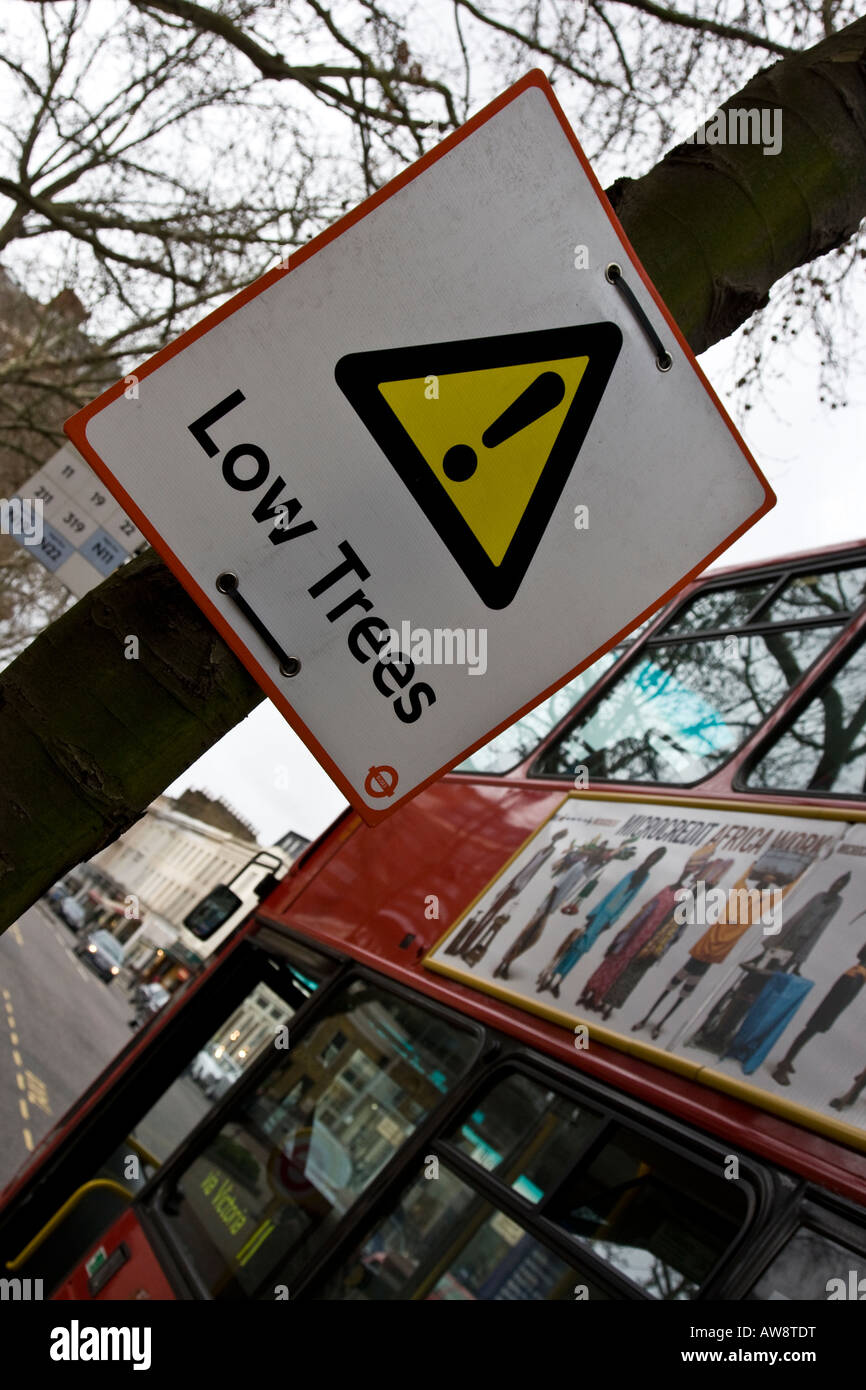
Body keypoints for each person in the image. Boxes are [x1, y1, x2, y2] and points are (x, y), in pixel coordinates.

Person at [492, 836, 636, 981]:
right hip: (545, 909)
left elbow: (596, 868)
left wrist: (615, 853)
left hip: (549, 910)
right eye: (599, 859)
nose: (599, 862)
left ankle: (507, 962)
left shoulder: (586, 871)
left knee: (530, 939)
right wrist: (547, 909)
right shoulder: (578, 867)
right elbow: (556, 887)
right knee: (526, 937)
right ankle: (504, 964)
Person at [536, 848, 668, 998]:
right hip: (599, 913)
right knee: (573, 944)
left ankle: (559, 981)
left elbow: (629, 900)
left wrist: (611, 921)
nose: (652, 859)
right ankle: (551, 976)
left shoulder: (644, 877)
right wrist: (594, 913)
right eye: (652, 855)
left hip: (607, 918)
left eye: (656, 858)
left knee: (582, 950)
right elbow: (611, 894)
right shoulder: (632, 873)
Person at [445, 828, 569, 962]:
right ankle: (462, 947)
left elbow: (534, 872)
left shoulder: (550, 852)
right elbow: (525, 867)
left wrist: (518, 890)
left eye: (558, 837)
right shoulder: (542, 849)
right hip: (513, 884)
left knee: (490, 917)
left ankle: (465, 947)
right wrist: (508, 884)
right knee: (488, 915)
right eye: (555, 836)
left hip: (517, 888)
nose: (555, 838)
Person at [771, 943, 866, 1087]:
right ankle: (784, 1064)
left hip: (854, 976)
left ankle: (788, 1060)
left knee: (819, 1025)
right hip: (854, 979)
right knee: (817, 1024)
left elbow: (860, 954)